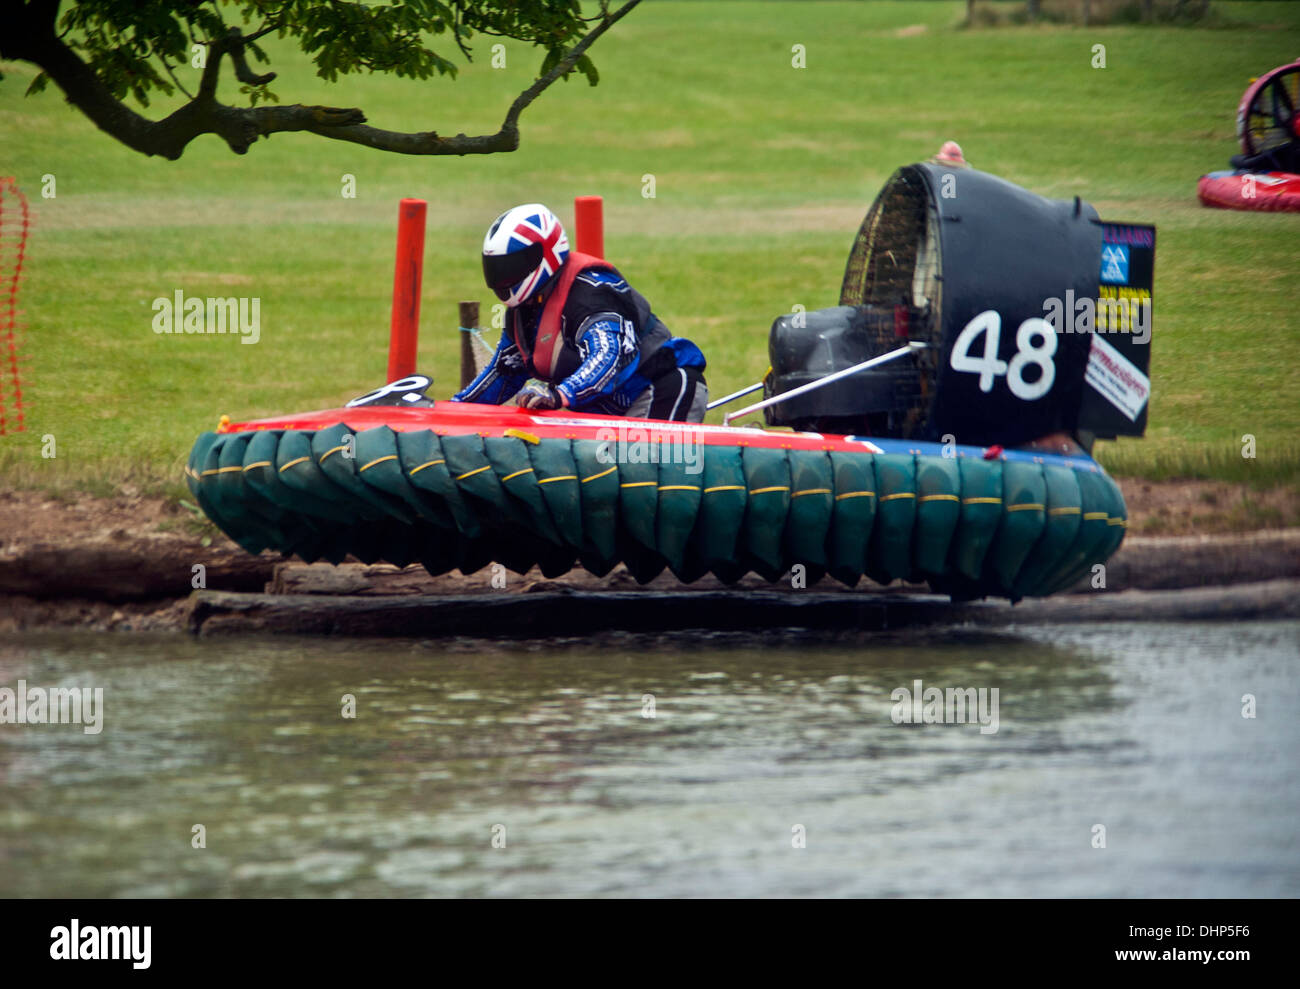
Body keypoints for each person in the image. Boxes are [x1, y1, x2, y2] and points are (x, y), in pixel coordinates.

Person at [452, 204, 708, 422]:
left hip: (662, 390)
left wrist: (559, 395)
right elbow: (504, 372)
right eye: (496, 267)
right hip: (608, 409)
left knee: (640, 475)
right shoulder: (524, 310)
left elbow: (607, 357)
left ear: (545, 254)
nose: (502, 277)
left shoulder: (592, 294)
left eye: (510, 266)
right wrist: (452, 409)